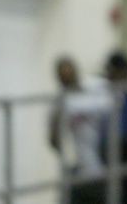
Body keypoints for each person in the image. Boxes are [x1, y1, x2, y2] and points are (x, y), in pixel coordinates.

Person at [49, 56, 112, 204]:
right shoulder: (61, 100)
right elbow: (54, 140)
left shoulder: (97, 86)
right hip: (82, 168)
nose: (66, 78)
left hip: (106, 162)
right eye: (62, 76)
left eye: (68, 73)